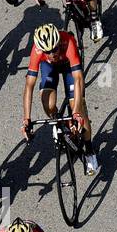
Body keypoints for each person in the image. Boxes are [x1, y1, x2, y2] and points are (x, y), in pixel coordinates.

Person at [22, 22, 99, 174]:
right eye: (48, 51)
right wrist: (26, 119)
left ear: (58, 42)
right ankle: (60, 123)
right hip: (49, 67)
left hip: (68, 65)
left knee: (79, 109)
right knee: (48, 104)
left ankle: (90, 151)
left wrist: (76, 112)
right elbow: (29, 86)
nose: (52, 54)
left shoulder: (68, 41)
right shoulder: (37, 51)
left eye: (55, 49)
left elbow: (78, 78)